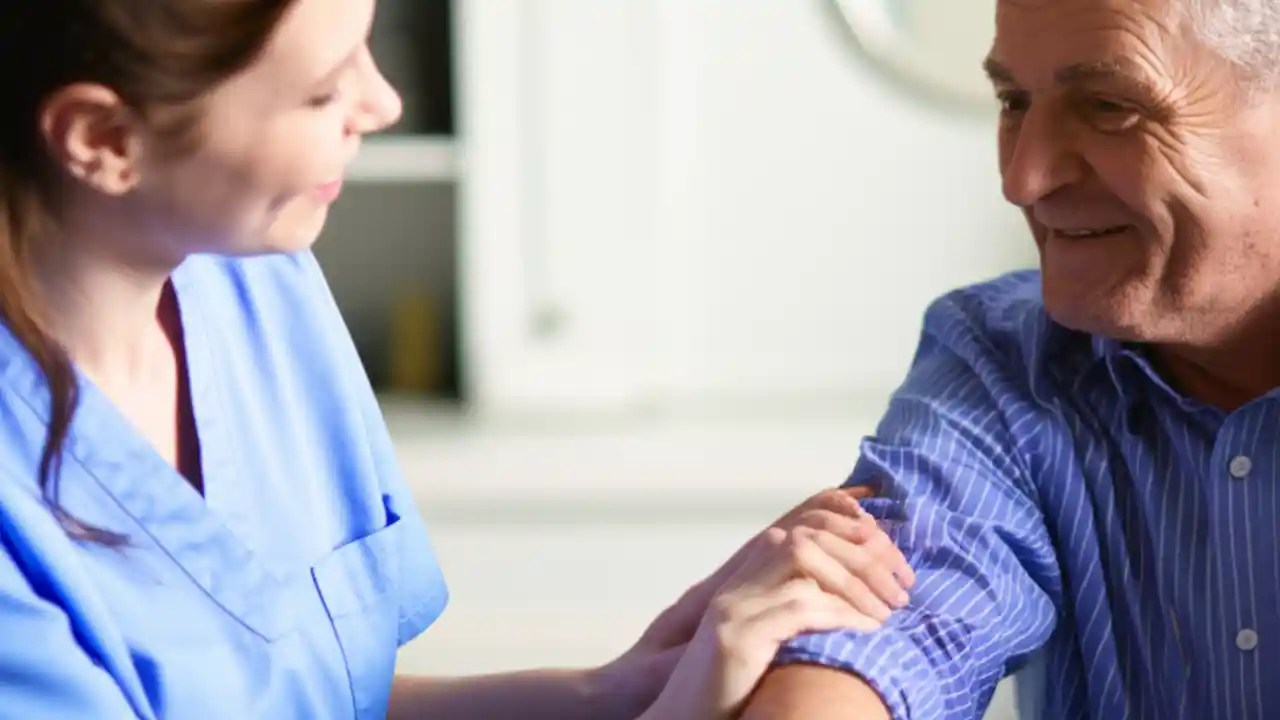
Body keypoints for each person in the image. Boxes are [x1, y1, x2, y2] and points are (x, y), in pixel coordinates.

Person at [0, 1, 918, 719]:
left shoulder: (252, 279)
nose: (384, 103)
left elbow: (318, 703)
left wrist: (624, 686)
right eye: (323, 90)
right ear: (103, 140)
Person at [730, 0, 1280, 718]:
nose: (1024, 179)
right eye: (1014, 101)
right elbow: (878, 649)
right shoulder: (1002, 359)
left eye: (1111, 106)